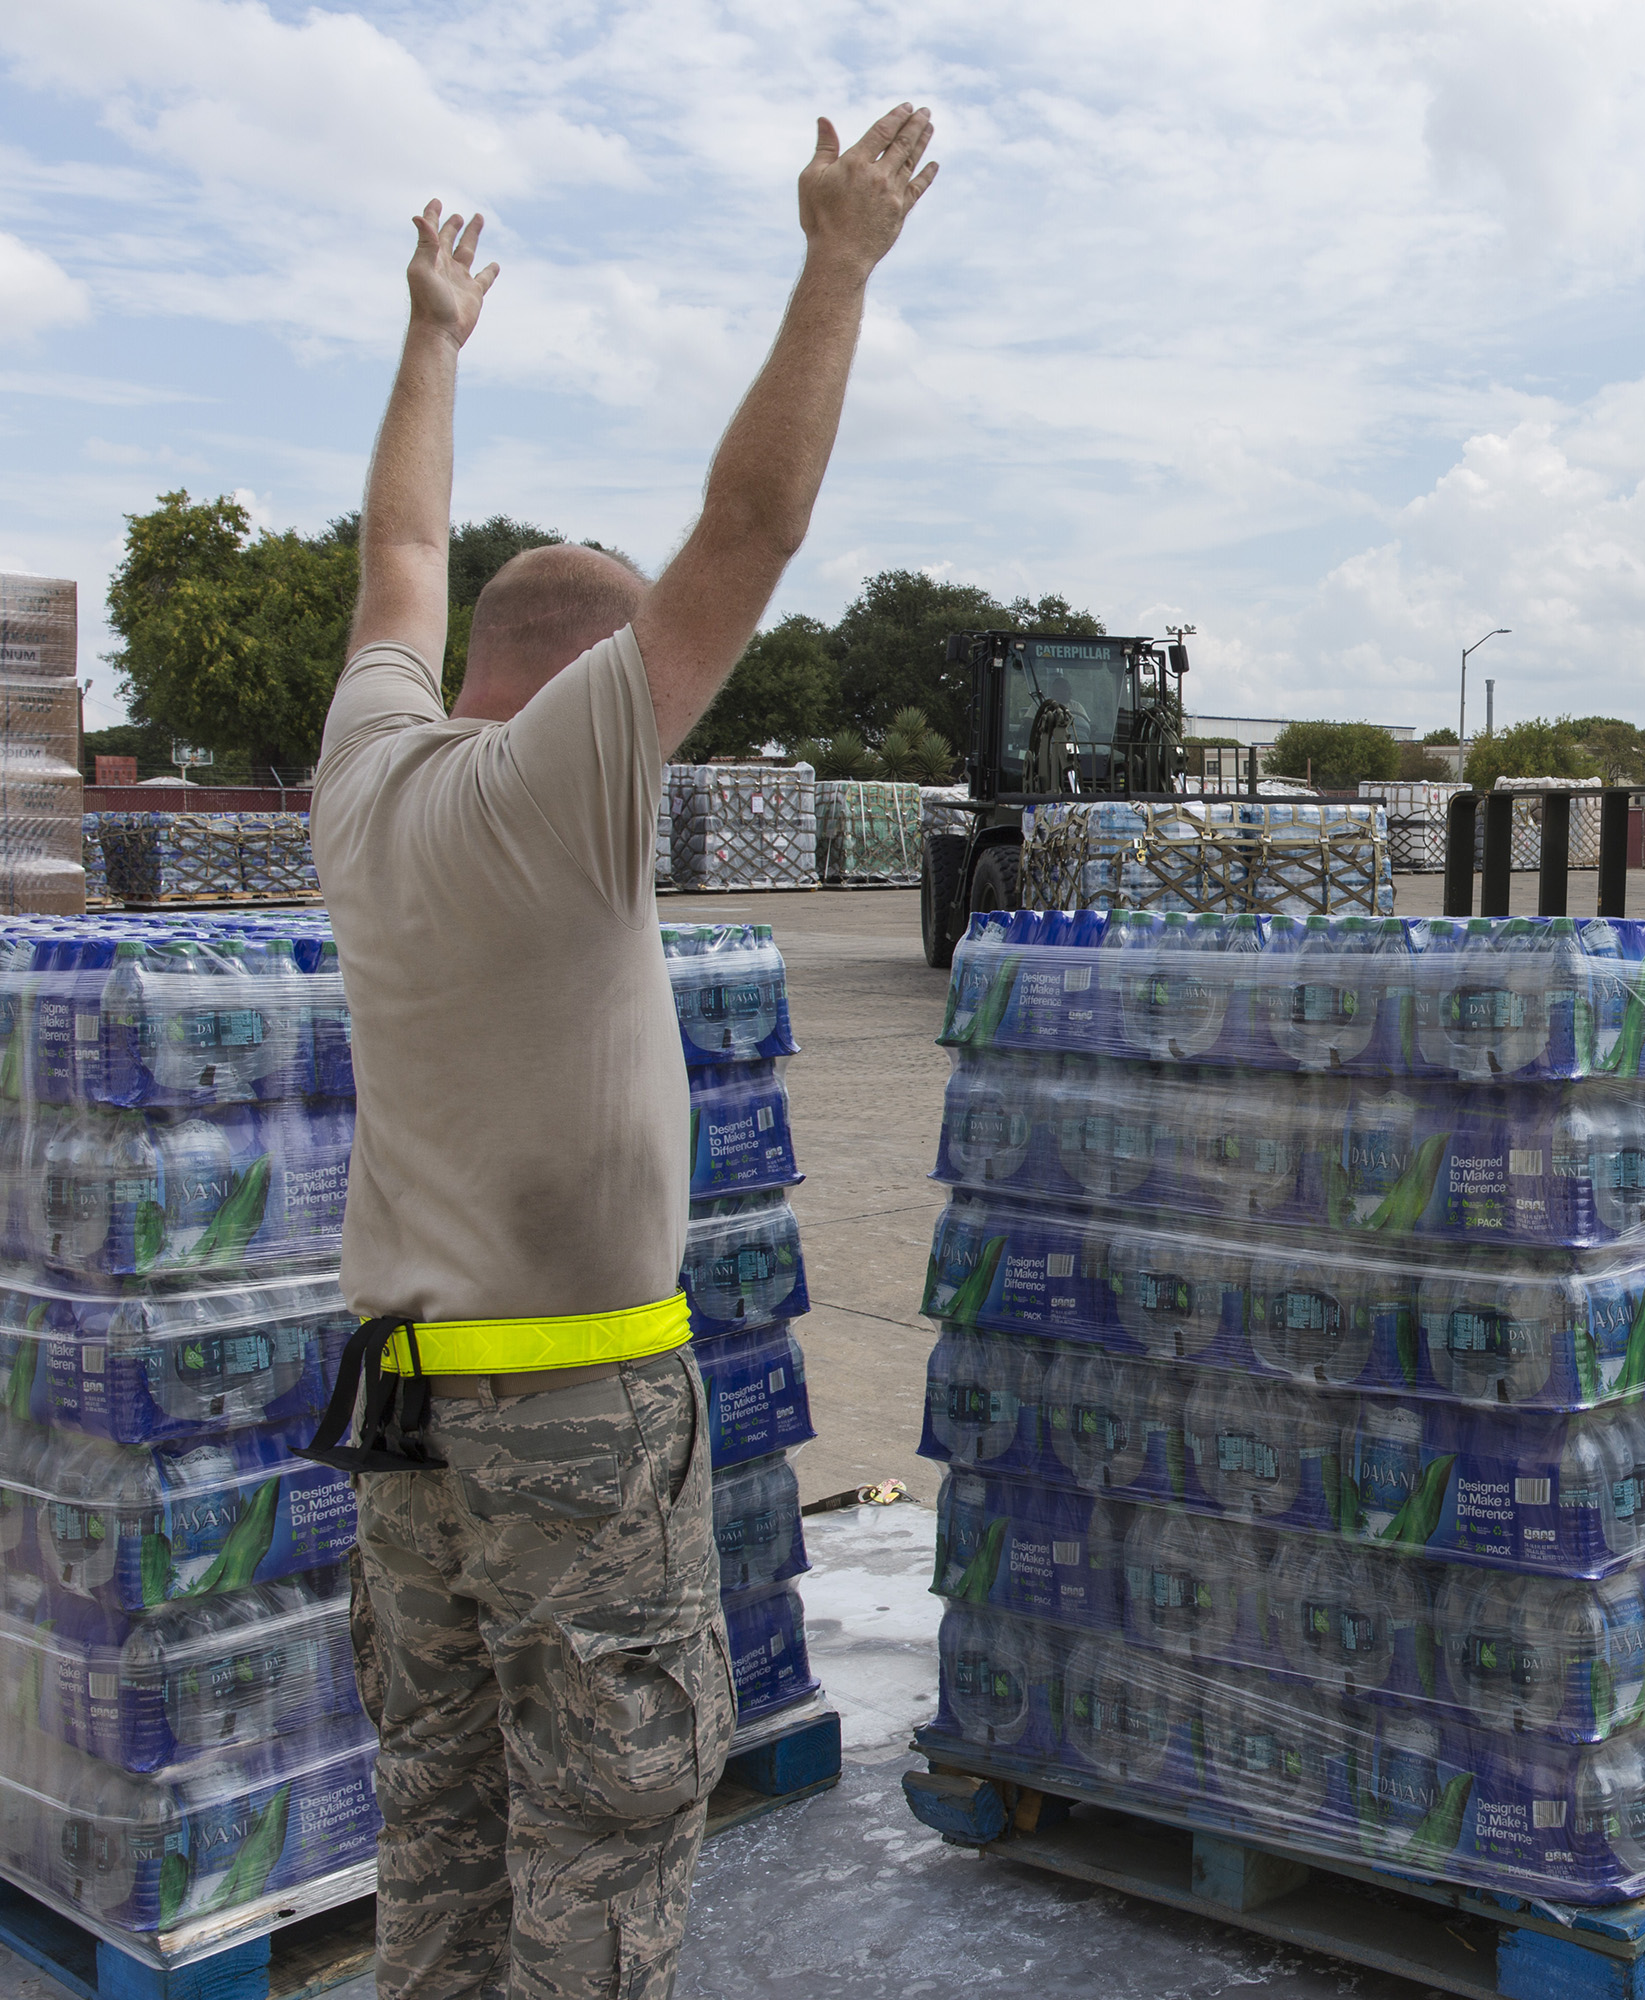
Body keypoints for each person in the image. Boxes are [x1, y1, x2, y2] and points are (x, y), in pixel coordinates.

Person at [305, 107, 938, 1999]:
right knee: (602, 1834)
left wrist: (431, 337)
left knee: (440, 1824)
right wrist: (838, 264)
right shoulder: (561, 790)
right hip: (565, 1419)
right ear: (592, 688)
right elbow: (750, 532)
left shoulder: (366, 773)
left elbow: (403, 546)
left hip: (403, 1413)